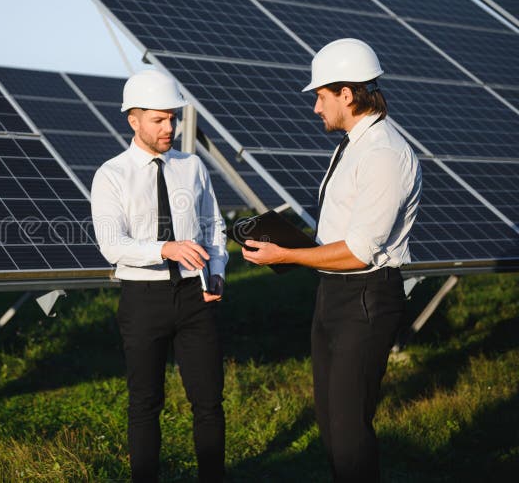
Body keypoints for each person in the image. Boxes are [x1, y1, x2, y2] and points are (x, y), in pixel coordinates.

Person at [242, 38, 422, 482]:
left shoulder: (383, 153)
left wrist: (286, 254)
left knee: (348, 431)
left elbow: (360, 251)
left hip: (365, 298)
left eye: (321, 96)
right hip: (334, 294)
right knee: (331, 422)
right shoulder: (353, 144)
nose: (315, 107)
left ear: (347, 94)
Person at [91, 69, 228, 482]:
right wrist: (164, 249)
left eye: (173, 118)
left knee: (209, 403)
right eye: (158, 119)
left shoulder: (192, 166)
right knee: (144, 404)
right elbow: (111, 244)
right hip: (142, 300)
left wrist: (217, 273)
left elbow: (213, 226)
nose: (170, 127)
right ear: (133, 120)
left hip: (195, 298)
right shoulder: (111, 175)